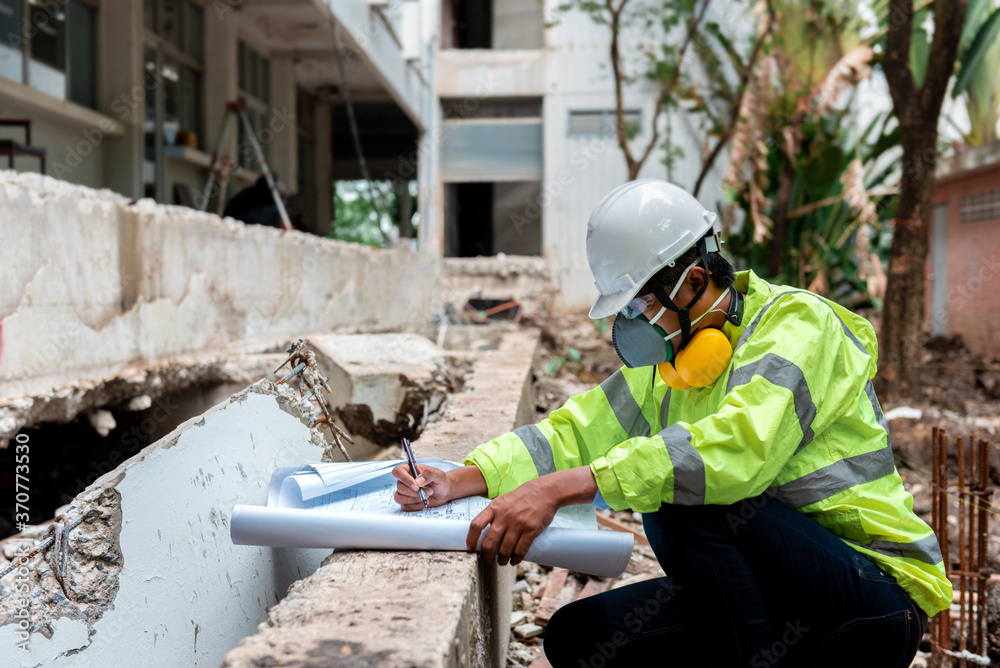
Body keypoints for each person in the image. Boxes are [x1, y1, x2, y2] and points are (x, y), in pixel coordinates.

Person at [393, 180, 951, 666]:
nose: (632, 322)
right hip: (776, 594)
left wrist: (565, 488)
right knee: (578, 638)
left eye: (638, 305)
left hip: (871, 598)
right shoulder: (671, 365)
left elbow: (738, 451)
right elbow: (576, 429)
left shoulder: (799, 326)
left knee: (680, 500)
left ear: (690, 281)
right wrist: (463, 477)